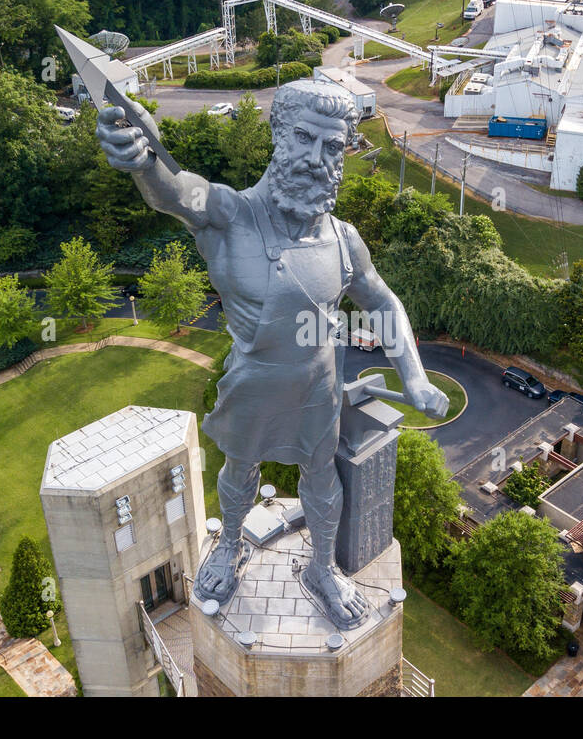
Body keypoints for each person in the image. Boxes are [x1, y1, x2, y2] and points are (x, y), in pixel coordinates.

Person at [96, 80, 448, 628]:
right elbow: (171, 190)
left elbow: (382, 302)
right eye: (304, 139)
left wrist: (415, 375)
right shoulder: (228, 214)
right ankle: (231, 543)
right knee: (240, 468)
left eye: (332, 147)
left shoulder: (342, 238)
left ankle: (322, 571)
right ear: (278, 135)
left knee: (322, 478)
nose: (316, 158)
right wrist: (143, 159)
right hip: (253, 383)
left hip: (318, 388)